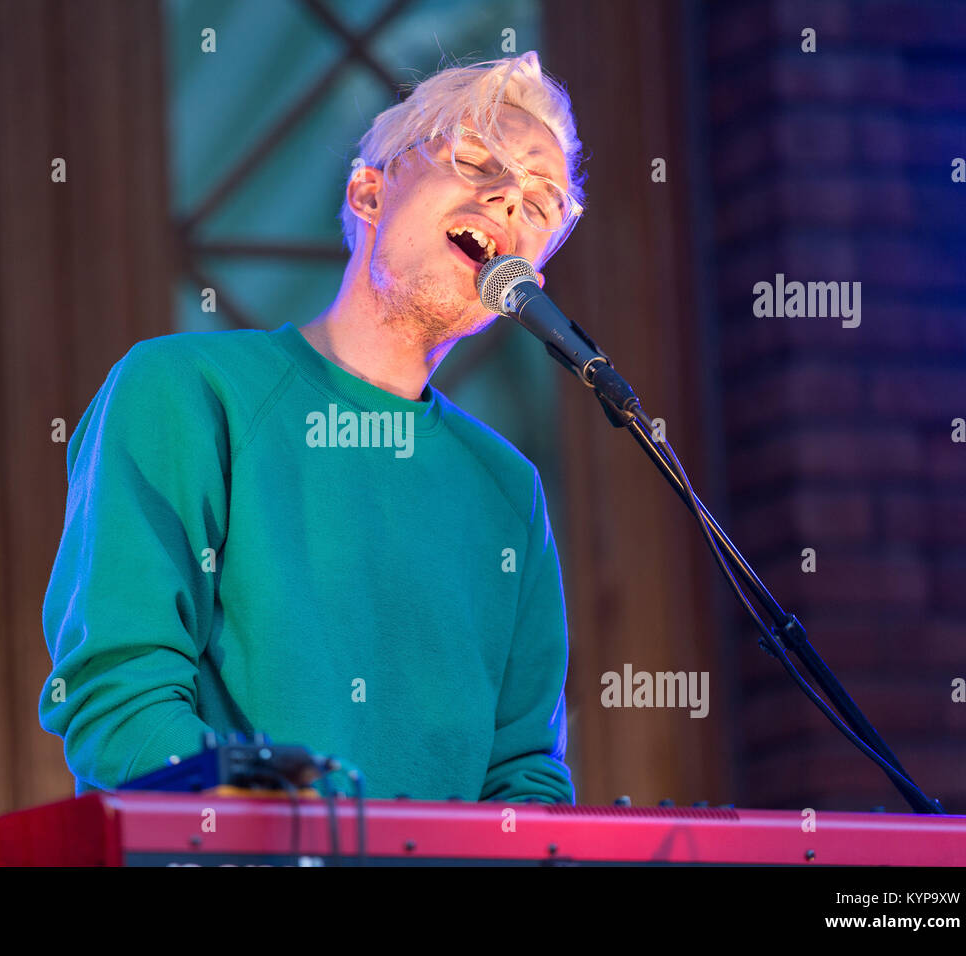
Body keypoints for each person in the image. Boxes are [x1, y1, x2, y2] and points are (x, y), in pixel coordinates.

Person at [39, 50, 586, 803]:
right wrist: (299, 822)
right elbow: (118, 706)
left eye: (542, 200)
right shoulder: (184, 391)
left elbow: (524, 773)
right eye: (474, 160)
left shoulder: (508, 491)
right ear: (368, 192)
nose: (508, 198)